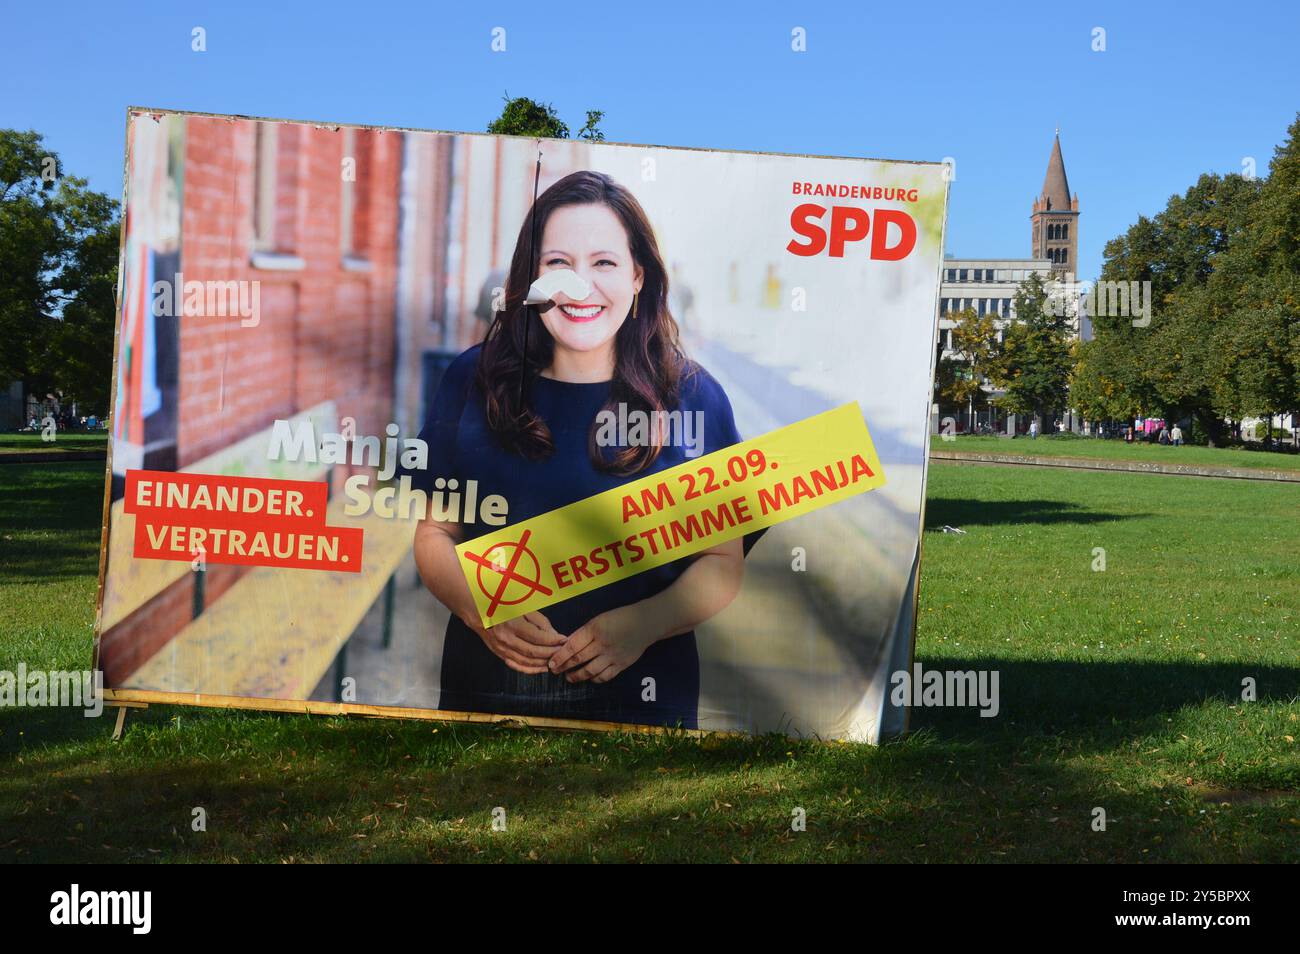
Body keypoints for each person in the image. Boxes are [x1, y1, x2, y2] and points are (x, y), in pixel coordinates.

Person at [406, 171, 753, 730]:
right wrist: (478, 607)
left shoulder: (692, 395)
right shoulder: (475, 377)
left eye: (604, 263)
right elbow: (434, 536)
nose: (579, 286)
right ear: (531, 277)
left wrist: (645, 623)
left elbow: (721, 564)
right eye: (558, 264)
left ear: (638, 277)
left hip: (643, 707)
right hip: (486, 695)